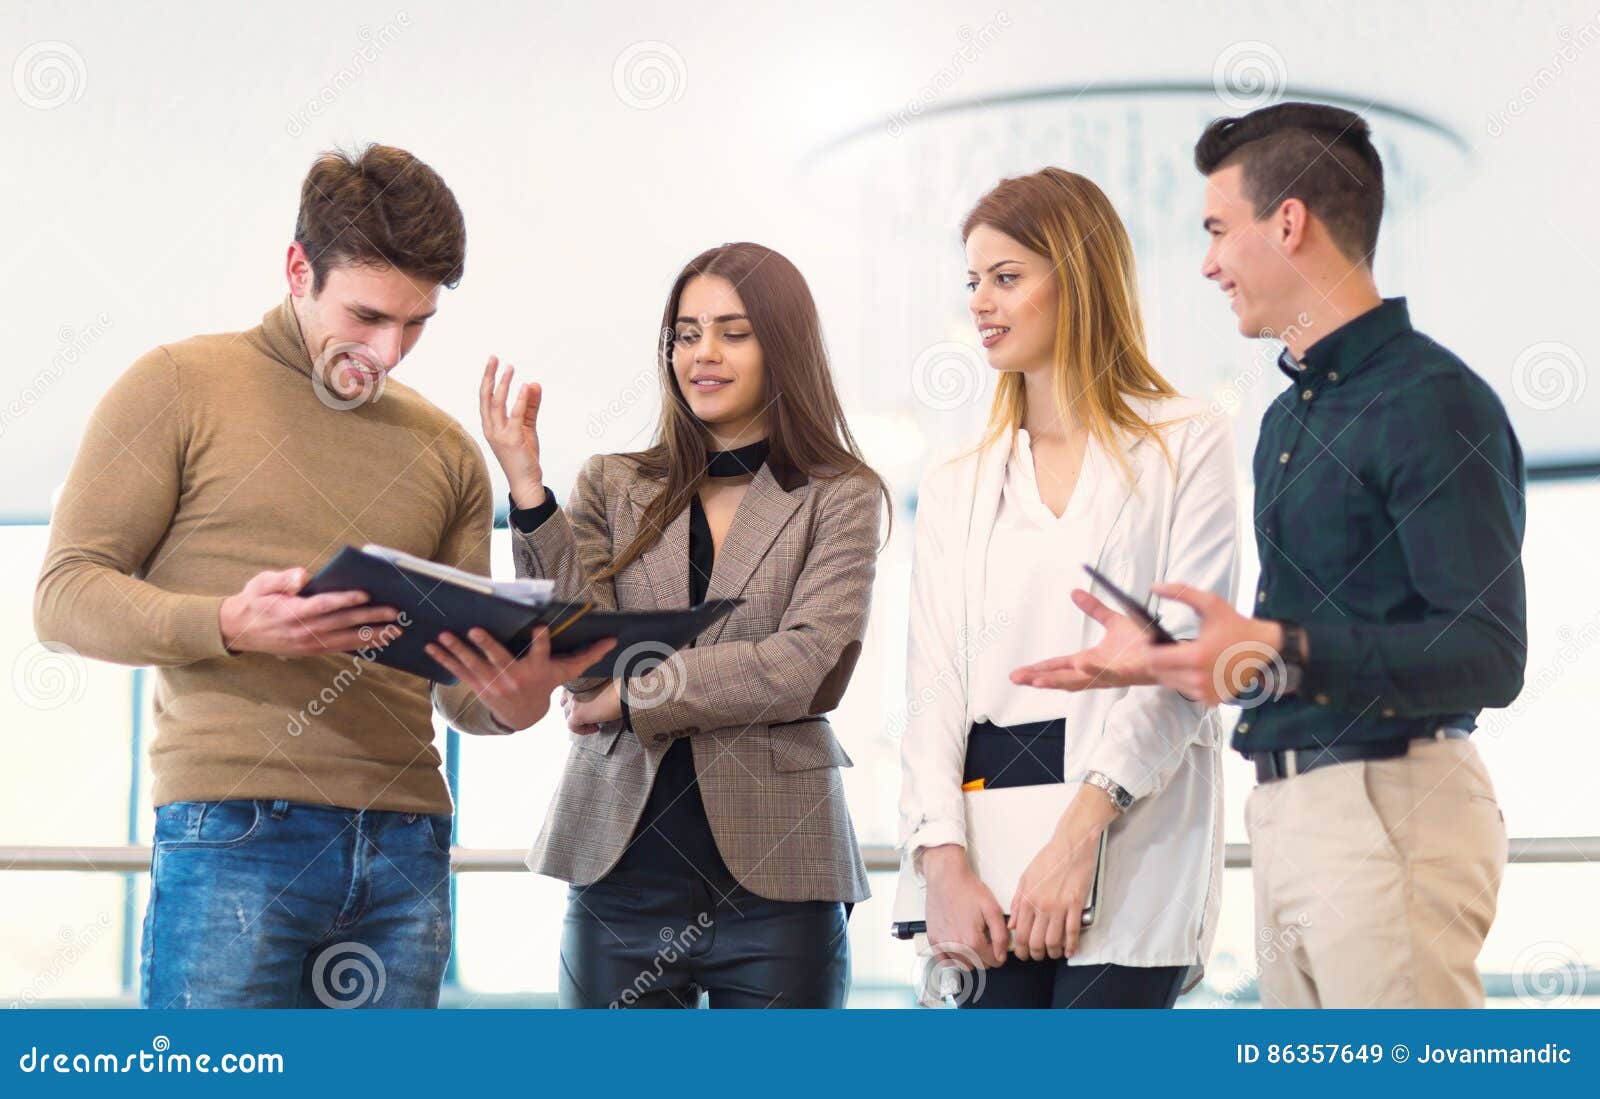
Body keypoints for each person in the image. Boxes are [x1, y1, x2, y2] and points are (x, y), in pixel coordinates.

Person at [33, 143, 611, 1010]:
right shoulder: (176, 387)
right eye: (368, 315)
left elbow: (454, 687)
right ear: (298, 268)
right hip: (234, 830)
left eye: (416, 324)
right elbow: (64, 594)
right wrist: (229, 622)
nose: (388, 350)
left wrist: (510, 703)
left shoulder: (448, 450)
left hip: (408, 845)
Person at [1014, 103, 1525, 1008]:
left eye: (1218, 230)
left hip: (1389, 807)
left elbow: (1490, 653)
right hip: (1291, 812)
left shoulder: (1434, 400)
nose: (1208, 263)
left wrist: (1279, 646)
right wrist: (1190, 663)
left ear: (1288, 223)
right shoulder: (1289, 420)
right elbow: (1303, 647)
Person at [480, 241, 889, 1008]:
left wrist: (638, 701)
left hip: (781, 879)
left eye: (734, 332)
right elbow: (583, 657)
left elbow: (805, 666)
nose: (704, 353)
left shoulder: (842, 493)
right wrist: (531, 493)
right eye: (686, 332)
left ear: (783, 344)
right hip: (621, 873)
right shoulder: (614, 481)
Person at [898, 168, 1239, 1009]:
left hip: (1130, 846)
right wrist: (940, 858)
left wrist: (1079, 832)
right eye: (973, 281)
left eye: (1007, 278)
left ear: (1079, 278)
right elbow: (934, 685)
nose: (981, 302)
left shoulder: (1186, 441)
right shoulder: (955, 479)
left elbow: (1184, 666)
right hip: (979, 871)